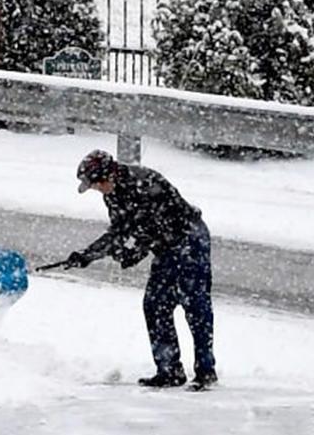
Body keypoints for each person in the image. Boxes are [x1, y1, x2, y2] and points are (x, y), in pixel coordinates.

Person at [63, 149, 218, 390]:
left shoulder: (145, 185)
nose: (96, 189)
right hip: (165, 245)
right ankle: (169, 371)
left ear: (108, 175)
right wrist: (86, 255)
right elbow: (119, 232)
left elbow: (149, 229)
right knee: (155, 305)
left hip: (189, 239)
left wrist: (133, 251)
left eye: (96, 184)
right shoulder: (112, 194)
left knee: (195, 306)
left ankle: (206, 372)